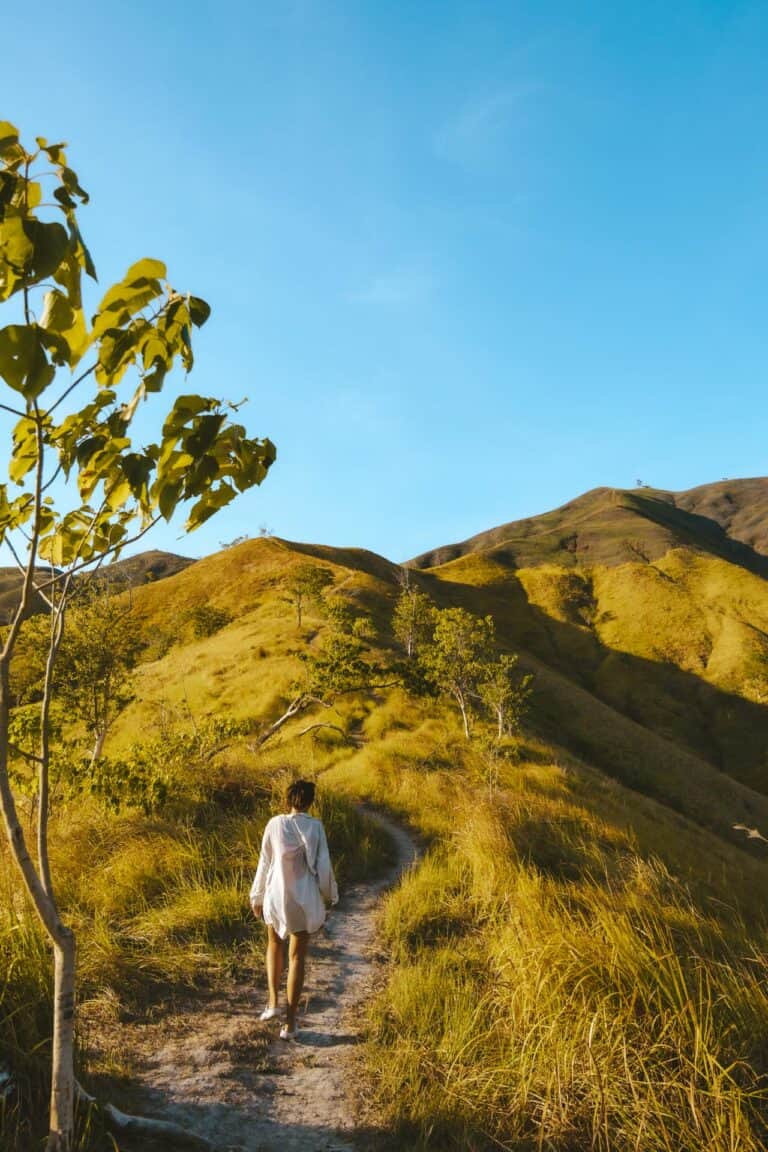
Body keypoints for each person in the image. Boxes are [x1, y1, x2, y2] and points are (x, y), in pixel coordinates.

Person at [250, 779, 338, 1040]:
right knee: (297, 957)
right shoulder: (316, 827)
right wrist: (330, 896)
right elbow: (323, 867)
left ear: (287, 800)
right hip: (303, 897)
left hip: (276, 895)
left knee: (273, 944)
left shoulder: (274, 824)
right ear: (311, 801)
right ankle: (289, 1024)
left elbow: (265, 861)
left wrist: (256, 895)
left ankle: (273, 1002)